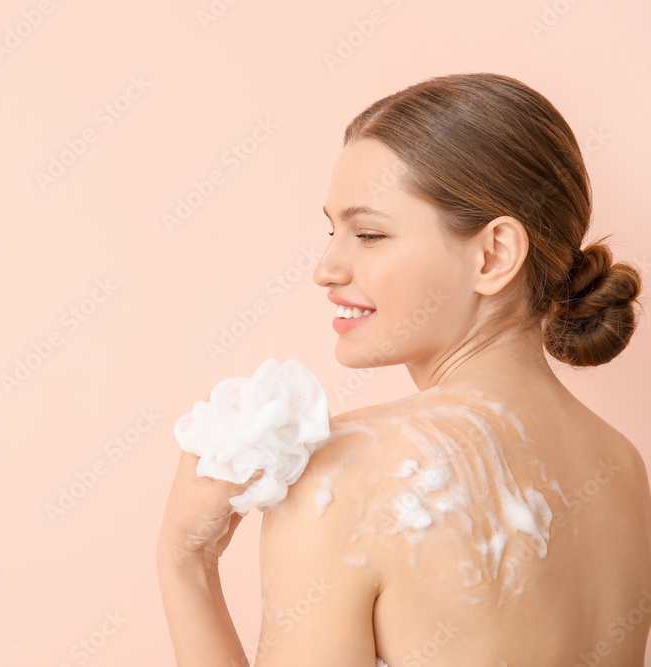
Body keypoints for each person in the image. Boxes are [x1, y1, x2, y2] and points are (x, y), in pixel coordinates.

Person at [156, 72, 651, 666]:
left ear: (493, 254)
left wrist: (186, 563)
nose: (327, 267)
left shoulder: (346, 474)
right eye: (332, 230)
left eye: (369, 233)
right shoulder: (621, 465)